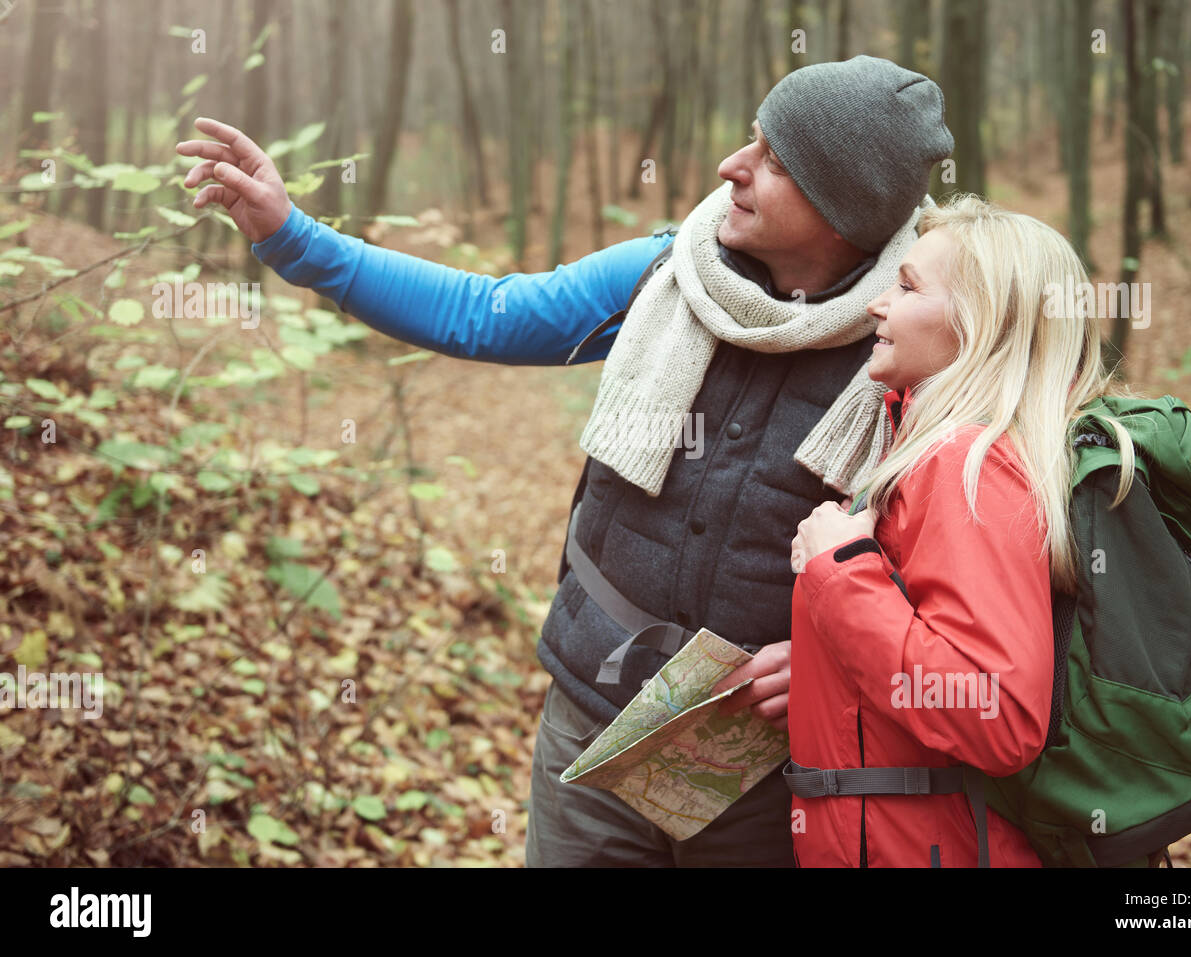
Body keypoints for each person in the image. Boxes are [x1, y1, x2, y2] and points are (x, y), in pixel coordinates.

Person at [175, 55, 954, 867]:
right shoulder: (667, 273)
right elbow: (487, 312)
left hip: (776, 771)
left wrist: (840, 655)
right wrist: (292, 237)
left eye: (775, 160)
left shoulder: (920, 342)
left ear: (841, 209)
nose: (733, 166)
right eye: (750, 139)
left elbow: (960, 578)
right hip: (594, 722)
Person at [786, 195, 1138, 867]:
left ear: (979, 326)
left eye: (908, 286)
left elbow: (997, 711)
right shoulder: (931, 445)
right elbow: (921, 648)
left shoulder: (967, 464)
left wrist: (840, 567)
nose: (875, 304)